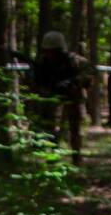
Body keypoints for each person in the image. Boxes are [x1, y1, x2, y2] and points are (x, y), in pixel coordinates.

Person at [14, 31, 92, 165]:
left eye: (54, 51)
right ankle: (53, 158)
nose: (51, 54)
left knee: (75, 129)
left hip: (73, 97)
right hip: (53, 98)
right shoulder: (43, 63)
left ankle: (76, 159)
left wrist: (72, 83)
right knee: (51, 128)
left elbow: (89, 74)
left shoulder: (74, 60)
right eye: (48, 51)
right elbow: (38, 83)